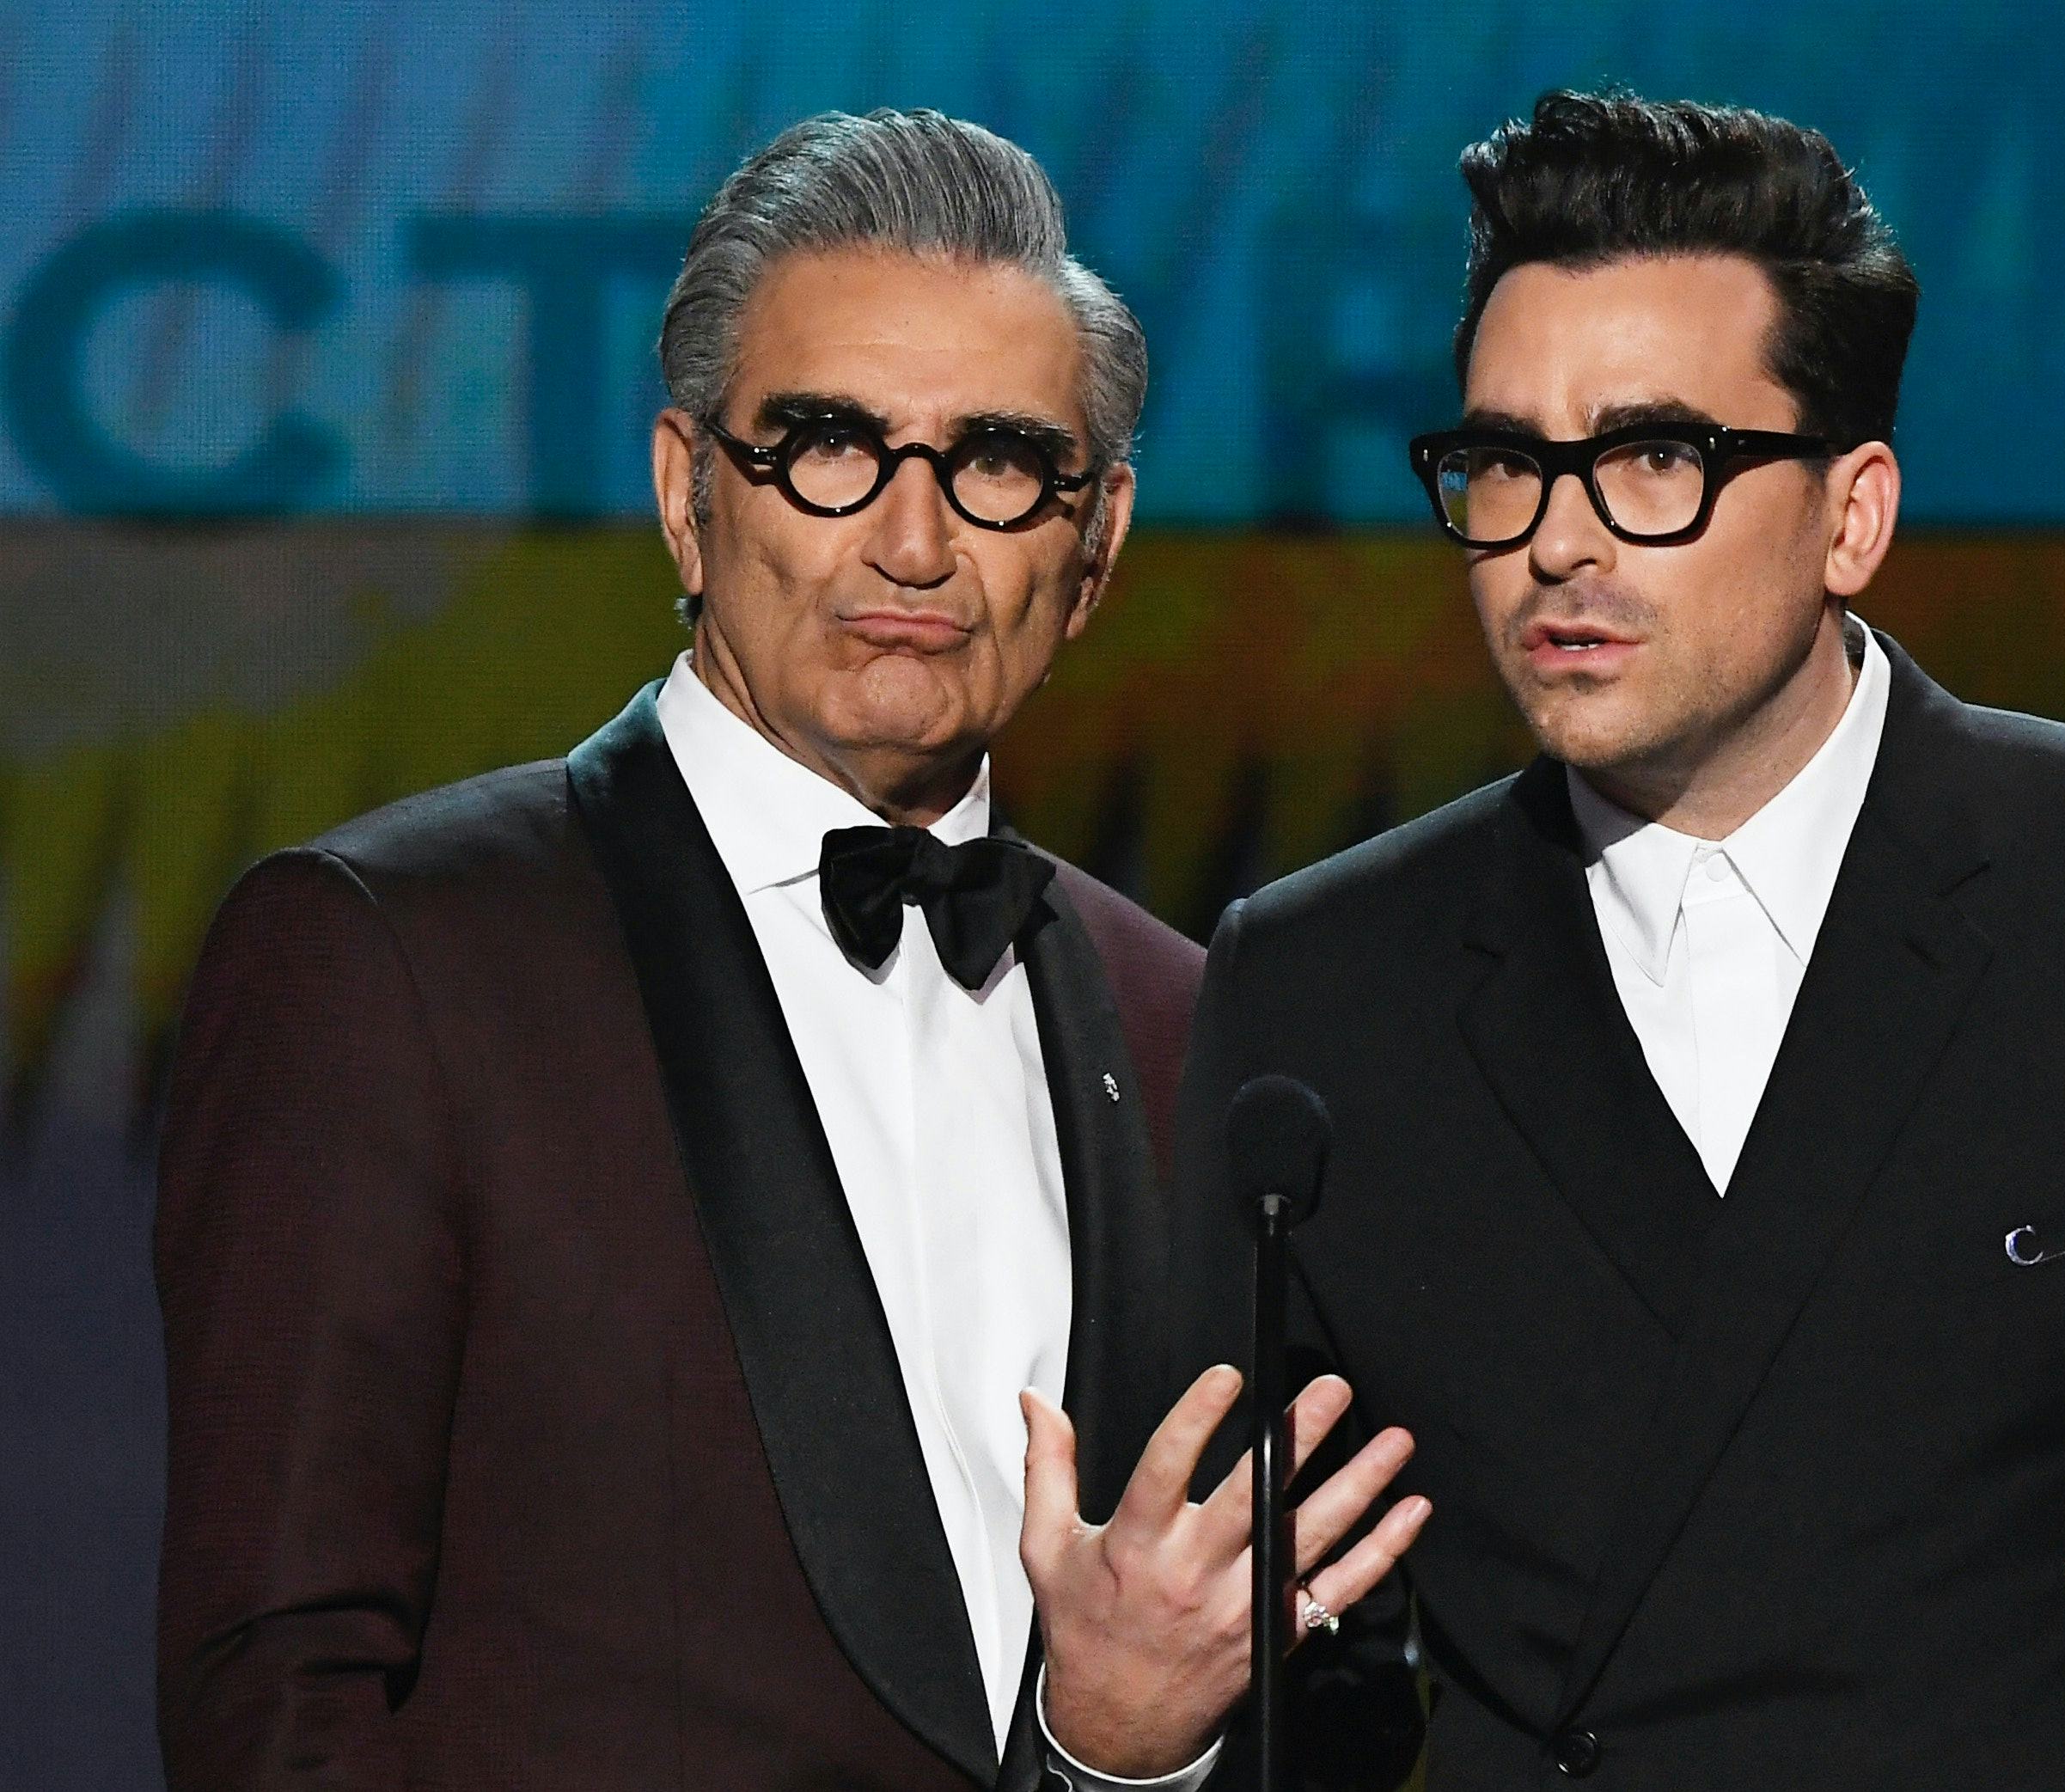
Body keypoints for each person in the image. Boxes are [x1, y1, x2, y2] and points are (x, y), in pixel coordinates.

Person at [1164, 92, 2065, 1790]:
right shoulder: (1325, 981)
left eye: (1655, 459)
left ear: (1854, 515)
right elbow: (1282, 1668)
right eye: (1505, 463)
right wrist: (1122, 1747)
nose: (1557, 539)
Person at [155, 108, 1421, 1792]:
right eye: (829, 445)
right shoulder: (390, 962)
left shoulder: (1197, 1024)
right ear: (687, 495)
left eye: (997, 462)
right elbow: (279, 1702)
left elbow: (1303, 1707)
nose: (913, 542)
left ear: (1096, 543)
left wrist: (1124, 1758)